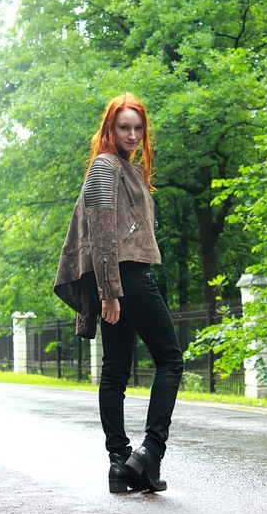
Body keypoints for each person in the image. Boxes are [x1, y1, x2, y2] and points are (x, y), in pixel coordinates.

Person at [54, 93, 184, 493]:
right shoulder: (105, 166)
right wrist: (110, 292)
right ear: (109, 129)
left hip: (116, 279)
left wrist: (109, 290)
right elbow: (100, 232)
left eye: (138, 128)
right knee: (170, 359)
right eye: (124, 127)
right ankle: (149, 453)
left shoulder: (127, 170)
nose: (132, 135)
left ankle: (120, 464)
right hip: (125, 277)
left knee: (115, 369)